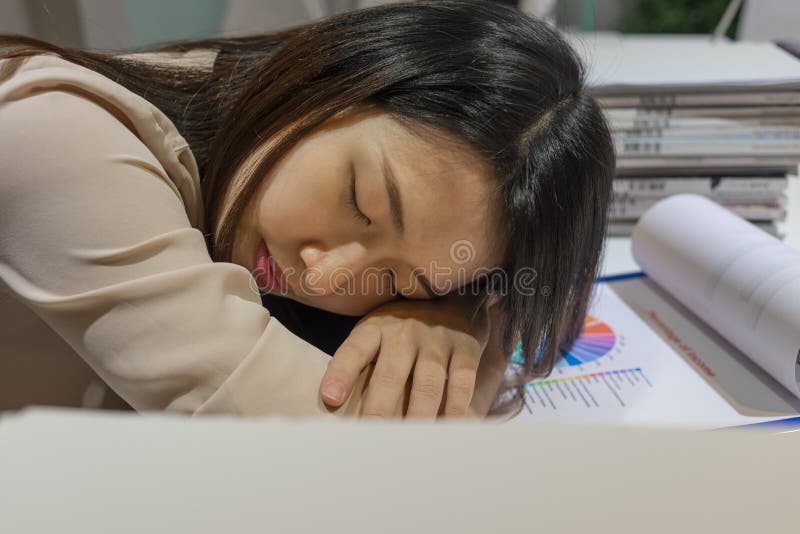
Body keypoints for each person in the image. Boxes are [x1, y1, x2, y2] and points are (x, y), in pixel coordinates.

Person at [0, 0, 614, 418]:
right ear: (336, 73)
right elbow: (338, 461)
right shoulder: (57, 134)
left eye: (398, 281)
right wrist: (465, 361)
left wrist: (455, 312)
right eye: (359, 203)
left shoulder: (243, 131)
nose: (323, 277)